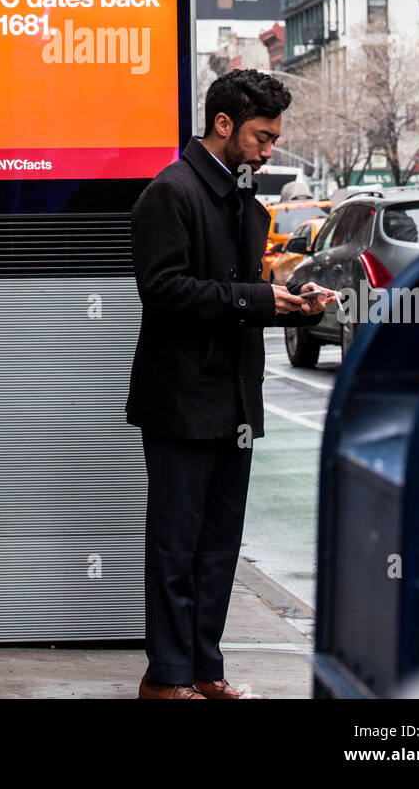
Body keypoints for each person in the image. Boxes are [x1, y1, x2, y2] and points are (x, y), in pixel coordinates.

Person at [126, 69, 337, 700]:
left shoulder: (247, 204)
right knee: (176, 547)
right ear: (224, 124)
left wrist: (294, 302)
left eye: (274, 139)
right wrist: (259, 299)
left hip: (235, 399)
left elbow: (240, 297)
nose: (270, 150)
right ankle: (165, 680)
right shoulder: (171, 192)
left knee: (219, 546)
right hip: (180, 398)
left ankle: (204, 670)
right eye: (262, 136)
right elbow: (162, 292)